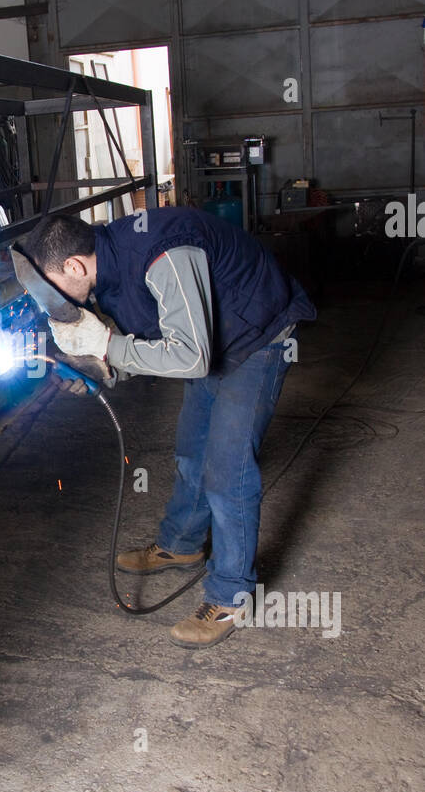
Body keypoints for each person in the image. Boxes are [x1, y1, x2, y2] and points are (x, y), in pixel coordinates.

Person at [23, 206, 316, 648]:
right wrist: (100, 368)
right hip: (214, 341)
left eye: (53, 290)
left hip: (258, 337)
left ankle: (232, 594)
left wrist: (107, 345)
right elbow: (145, 342)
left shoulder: (163, 254)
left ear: (73, 265)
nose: (56, 304)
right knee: (192, 450)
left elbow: (189, 357)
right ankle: (181, 543)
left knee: (227, 470)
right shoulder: (109, 273)